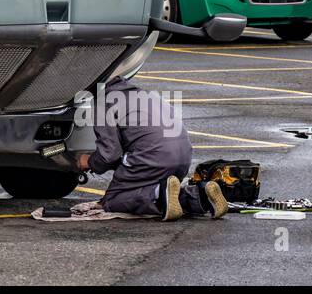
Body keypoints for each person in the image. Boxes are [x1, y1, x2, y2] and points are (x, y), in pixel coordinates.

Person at [75, 77, 228, 221]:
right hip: (183, 158)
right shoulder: (146, 95)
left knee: (113, 200)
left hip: (153, 158)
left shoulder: (103, 103)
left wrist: (88, 161)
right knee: (168, 195)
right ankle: (201, 195)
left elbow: (109, 155)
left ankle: (158, 195)